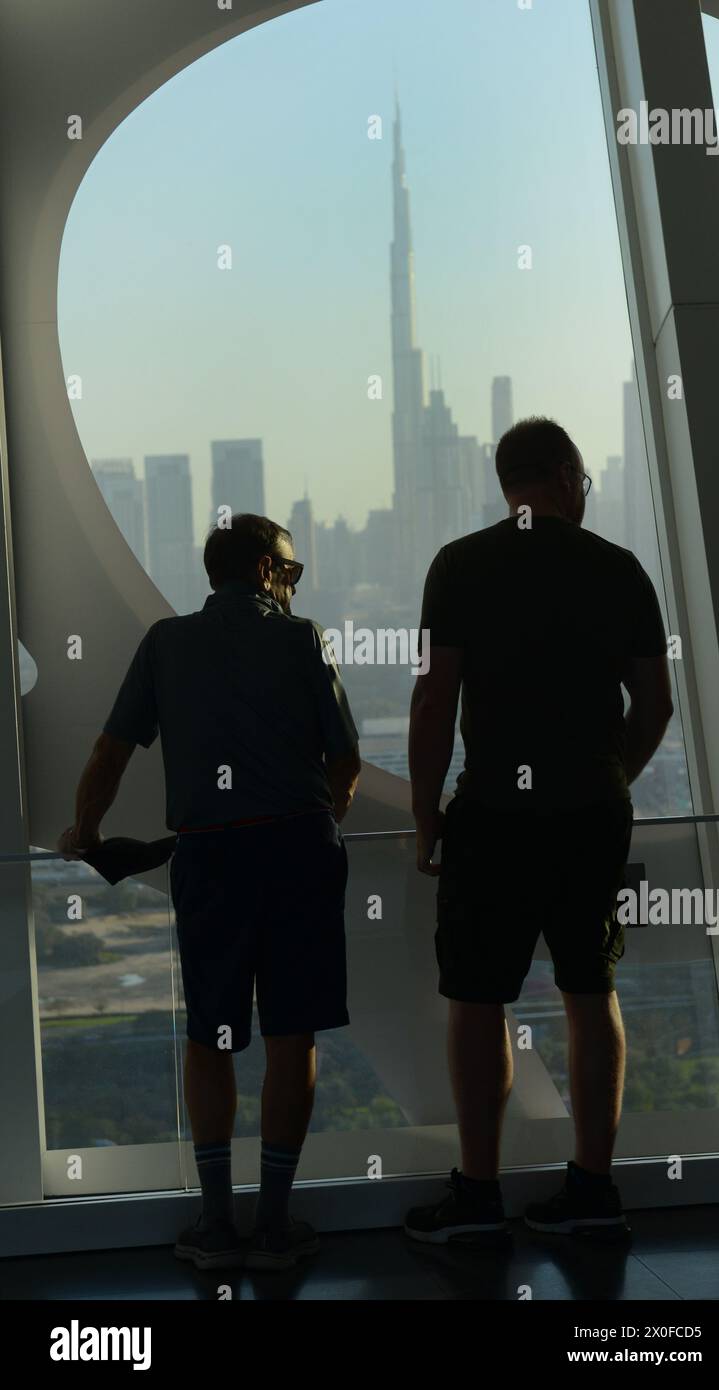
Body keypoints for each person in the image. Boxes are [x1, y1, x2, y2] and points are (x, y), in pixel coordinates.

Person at [58, 514, 361, 1272]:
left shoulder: (167, 643)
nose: (294, 587)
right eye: (288, 574)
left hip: (211, 861)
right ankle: (277, 1226)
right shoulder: (303, 639)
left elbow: (111, 750)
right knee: (293, 1037)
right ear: (264, 570)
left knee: (211, 1035)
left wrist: (85, 831)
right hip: (297, 854)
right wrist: (316, 819)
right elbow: (346, 763)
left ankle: (217, 1223)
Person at [405, 417, 673, 1245]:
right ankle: (593, 1186)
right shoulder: (618, 569)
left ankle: (478, 1196)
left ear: (507, 481)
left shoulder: (460, 565)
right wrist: (611, 776)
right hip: (591, 813)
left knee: (478, 1001)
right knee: (590, 995)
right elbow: (655, 703)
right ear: (563, 475)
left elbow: (434, 702)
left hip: (493, 818)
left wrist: (425, 815)